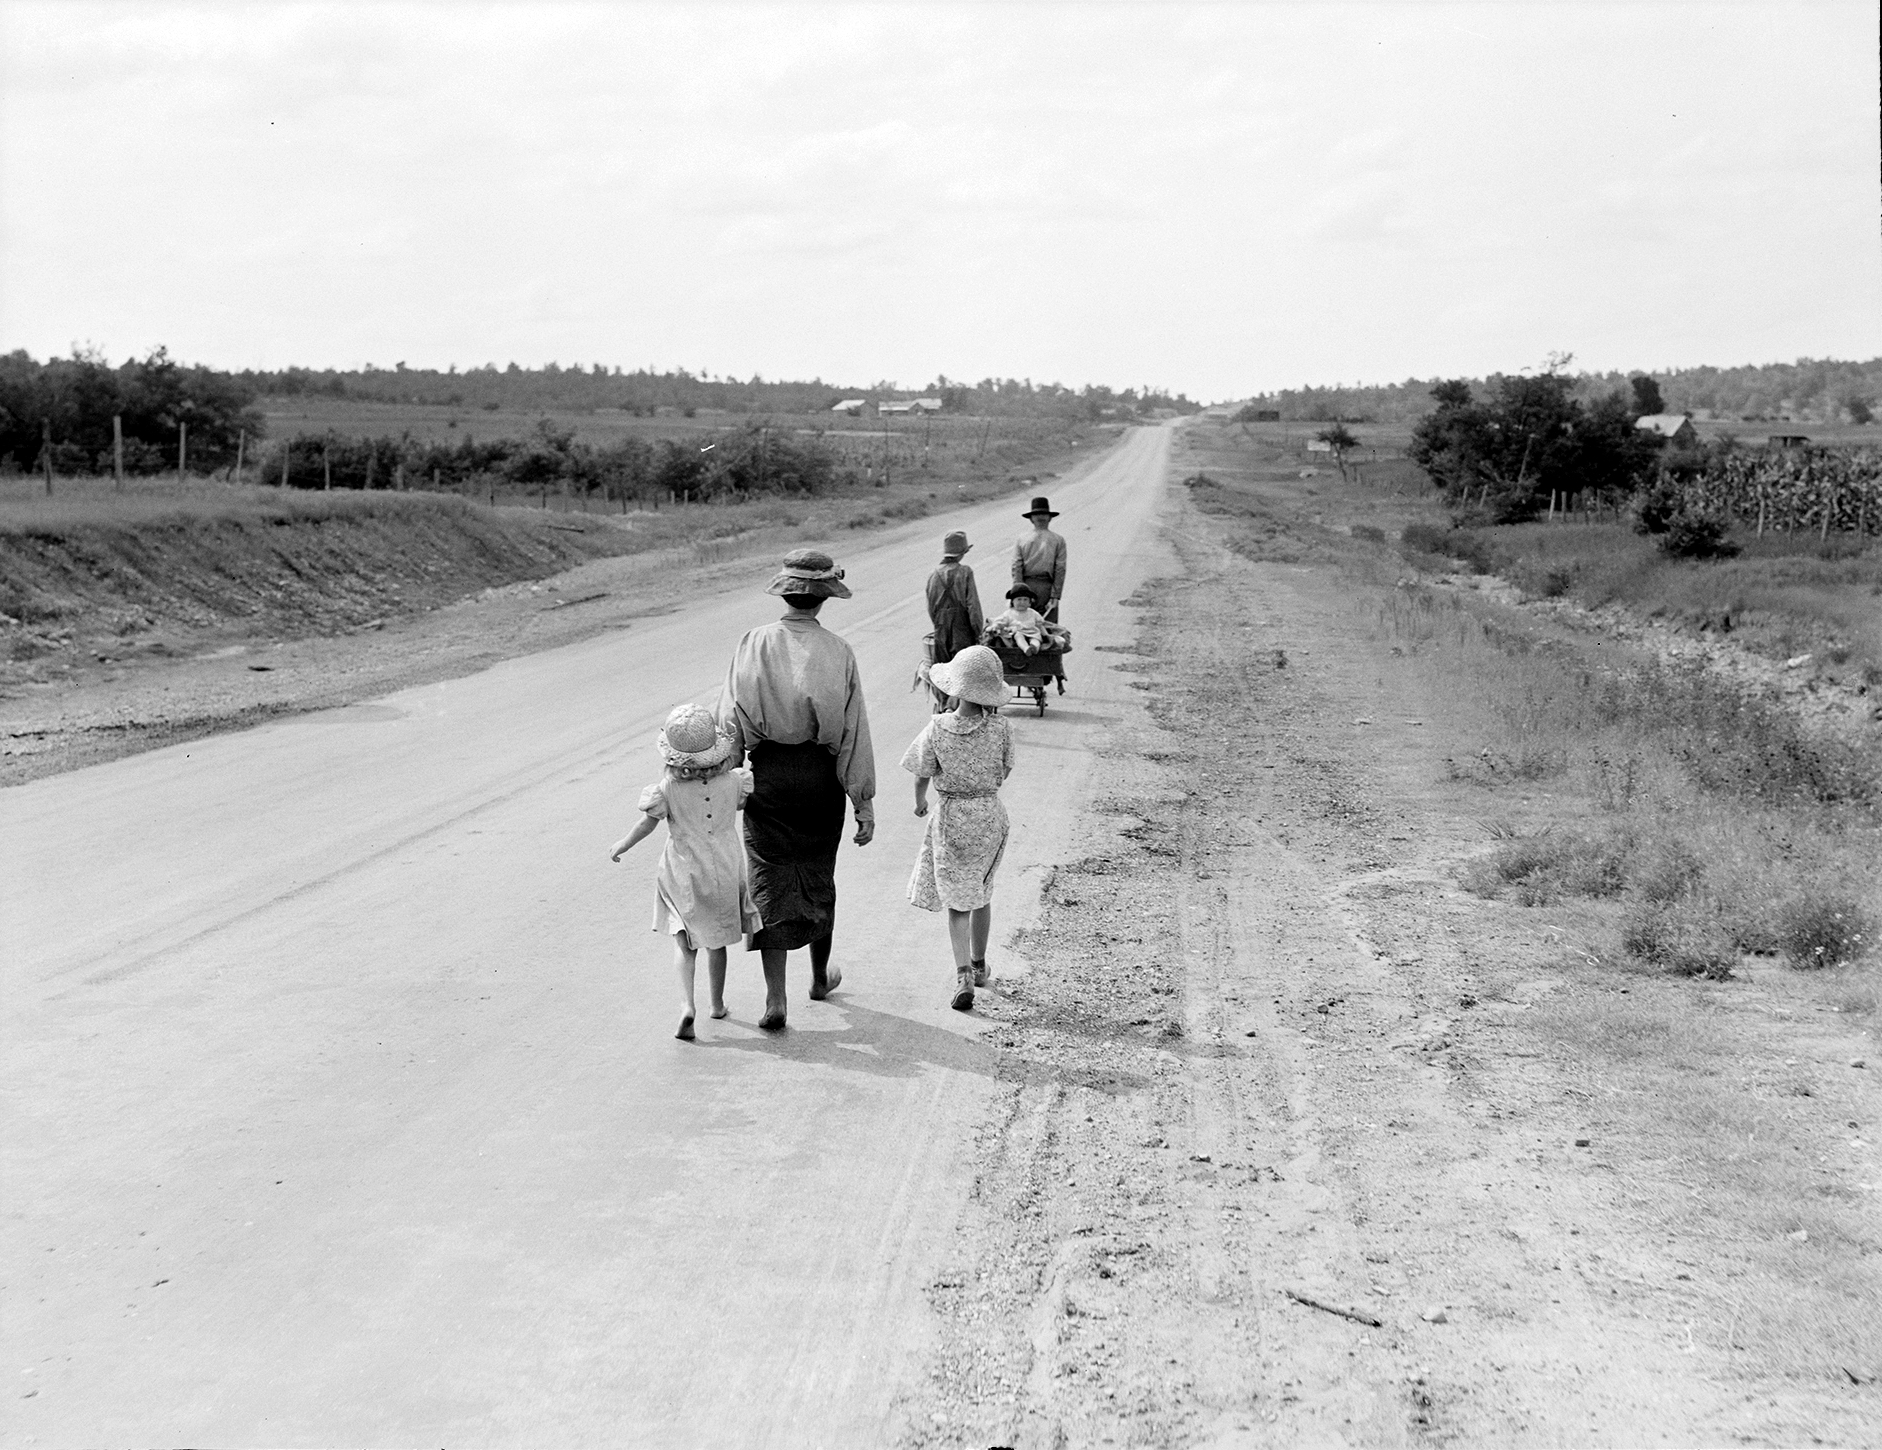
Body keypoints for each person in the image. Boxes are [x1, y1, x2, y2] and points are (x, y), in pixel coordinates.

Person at [719, 548, 875, 1031]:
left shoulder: (753, 642)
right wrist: (862, 801)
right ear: (824, 599)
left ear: (784, 593)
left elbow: (730, 722)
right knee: (817, 874)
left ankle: (775, 998)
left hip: (765, 776)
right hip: (819, 779)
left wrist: (725, 783)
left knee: (769, 880)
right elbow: (852, 732)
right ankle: (819, 978)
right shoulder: (838, 650)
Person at [609, 703, 761, 1041]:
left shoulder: (667, 790)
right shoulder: (735, 783)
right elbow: (747, 805)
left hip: (682, 869)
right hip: (724, 866)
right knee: (717, 941)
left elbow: (647, 824)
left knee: (685, 940)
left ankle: (687, 1005)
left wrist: (623, 843)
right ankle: (717, 1004)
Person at [901, 645, 1015, 1013]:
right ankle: (980, 965)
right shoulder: (1000, 728)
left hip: (951, 818)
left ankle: (963, 972)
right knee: (981, 890)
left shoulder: (938, 727)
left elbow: (922, 770)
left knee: (957, 899)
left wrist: (920, 801)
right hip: (988, 815)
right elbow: (1005, 769)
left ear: (955, 687)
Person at [924, 529, 984, 712]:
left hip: (941, 627)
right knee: (963, 670)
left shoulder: (933, 575)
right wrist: (977, 632)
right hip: (961, 627)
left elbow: (931, 607)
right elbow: (973, 606)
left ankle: (944, 706)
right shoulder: (965, 572)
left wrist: (940, 624)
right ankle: (960, 709)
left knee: (943, 670)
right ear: (962, 553)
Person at [1011, 495, 1067, 623]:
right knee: (1048, 627)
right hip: (1047, 588)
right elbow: (1060, 568)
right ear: (1050, 518)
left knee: (1022, 625)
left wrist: (1018, 591)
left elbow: (1016, 566)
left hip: (1025, 586)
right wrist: (1055, 595)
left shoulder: (1022, 539)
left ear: (1031, 519)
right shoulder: (1058, 540)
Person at [985, 584, 1051, 655]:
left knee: (1036, 640)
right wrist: (993, 627)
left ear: (1029, 602)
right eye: (1019, 599)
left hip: (1032, 633)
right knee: (1019, 636)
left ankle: (1034, 648)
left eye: (1025, 600)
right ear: (1012, 601)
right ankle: (1026, 648)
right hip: (1018, 633)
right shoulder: (1009, 613)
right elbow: (1000, 622)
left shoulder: (1033, 613)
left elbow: (1040, 625)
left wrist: (1046, 636)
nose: (1022, 602)